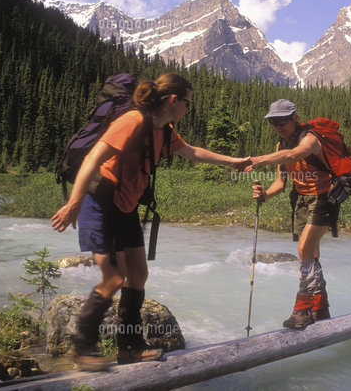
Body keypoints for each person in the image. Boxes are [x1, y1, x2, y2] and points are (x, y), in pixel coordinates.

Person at [51, 73, 248, 370]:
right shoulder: (132, 120)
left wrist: (232, 161)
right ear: (172, 100)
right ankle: (83, 346)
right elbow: (93, 158)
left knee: (139, 274)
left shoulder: (164, 131)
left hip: (126, 207)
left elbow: (191, 152)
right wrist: (73, 203)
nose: (187, 109)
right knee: (114, 278)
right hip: (101, 203)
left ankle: (130, 346)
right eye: (186, 103)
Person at [243, 99, 332, 329]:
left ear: (294, 118)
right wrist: (264, 195)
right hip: (301, 200)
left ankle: (302, 310)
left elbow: (294, 155)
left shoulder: (310, 138)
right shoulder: (280, 145)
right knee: (311, 252)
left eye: (281, 121)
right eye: (273, 122)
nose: (277, 126)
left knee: (303, 250)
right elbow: (280, 184)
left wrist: (258, 160)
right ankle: (320, 306)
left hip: (324, 198)